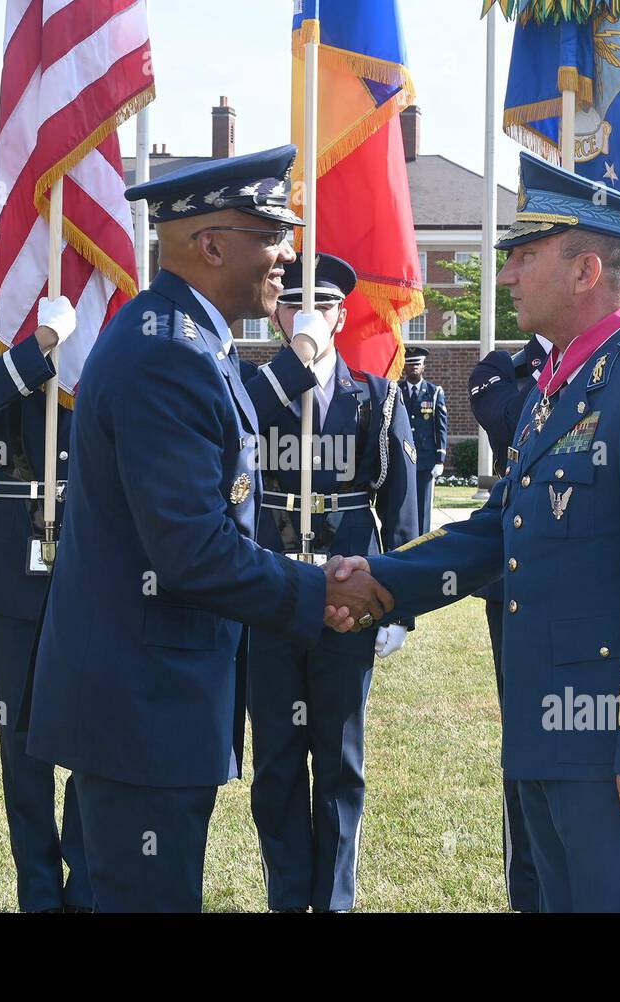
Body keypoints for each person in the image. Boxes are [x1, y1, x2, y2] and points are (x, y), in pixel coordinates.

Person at [334, 150, 620, 912]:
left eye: (523, 255)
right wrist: (384, 580)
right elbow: (498, 534)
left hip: (617, 748)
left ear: (585, 270)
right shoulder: (562, 388)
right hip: (547, 735)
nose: (507, 274)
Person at [25, 145, 392, 912]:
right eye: (271, 234)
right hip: (143, 709)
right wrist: (315, 587)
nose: (287, 252)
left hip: (148, 701)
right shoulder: (169, 355)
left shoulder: (189, 341)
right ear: (212, 244)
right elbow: (191, 551)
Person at [243, 253, 418, 912]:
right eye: (292, 303)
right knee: (277, 760)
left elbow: (403, 513)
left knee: (341, 759)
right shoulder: (247, 391)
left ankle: (335, 900)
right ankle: (289, 898)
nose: (305, 315)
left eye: (321, 304)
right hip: (271, 594)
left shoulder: (378, 397)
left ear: (343, 314)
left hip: (354, 596)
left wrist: (402, 604)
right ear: (276, 312)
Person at [0, 295, 93, 912]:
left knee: (93, 731)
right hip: (15, 559)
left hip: (93, 557)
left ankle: (87, 882)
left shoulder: (102, 348)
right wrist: (38, 347)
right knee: (20, 739)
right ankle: (38, 890)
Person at [465, 337, 549, 912]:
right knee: (525, 740)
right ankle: (529, 890)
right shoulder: (499, 370)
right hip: (517, 582)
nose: (513, 277)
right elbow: (517, 428)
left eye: (527, 259)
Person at [399, 346, 447, 535]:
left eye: (417, 364)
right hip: (402, 458)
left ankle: (423, 540)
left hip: (426, 460)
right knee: (403, 505)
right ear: (404, 368)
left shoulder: (434, 392)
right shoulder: (397, 390)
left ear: (423, 367)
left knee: (424, 506)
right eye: (410, 365)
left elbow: (441, 426)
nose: (413, 368)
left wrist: (440, 459)